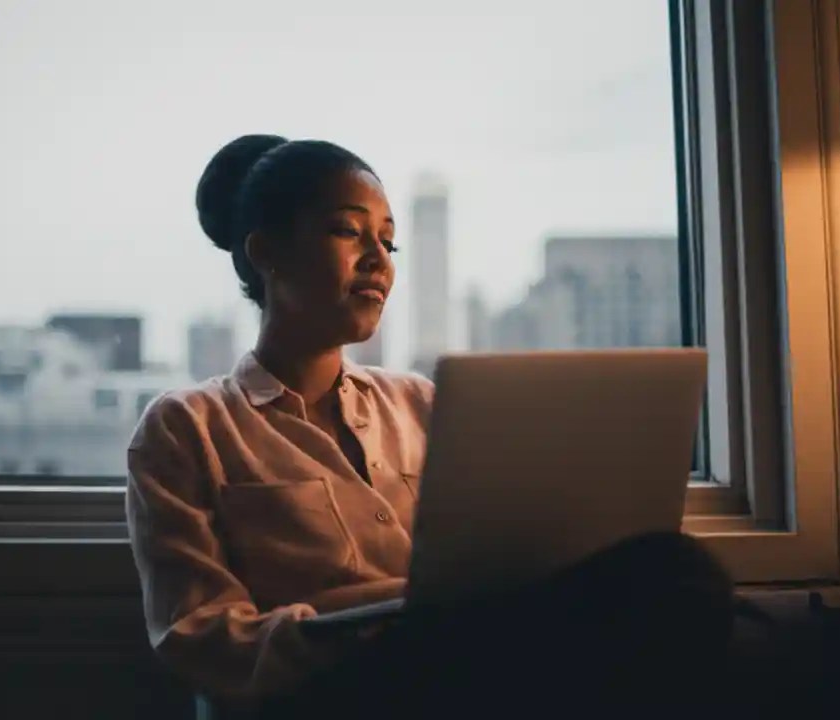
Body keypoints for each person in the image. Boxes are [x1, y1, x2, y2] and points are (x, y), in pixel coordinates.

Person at [126, 134, 735, 719]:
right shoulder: (188, 427)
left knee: (673, 569)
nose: (378, 262)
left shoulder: (423, 403)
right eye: (347, 231)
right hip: (332, 690)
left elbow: (499, 558)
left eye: (388, 244)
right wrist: (360, 627)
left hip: (473, 659)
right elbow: (198, 633)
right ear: (267, 252)